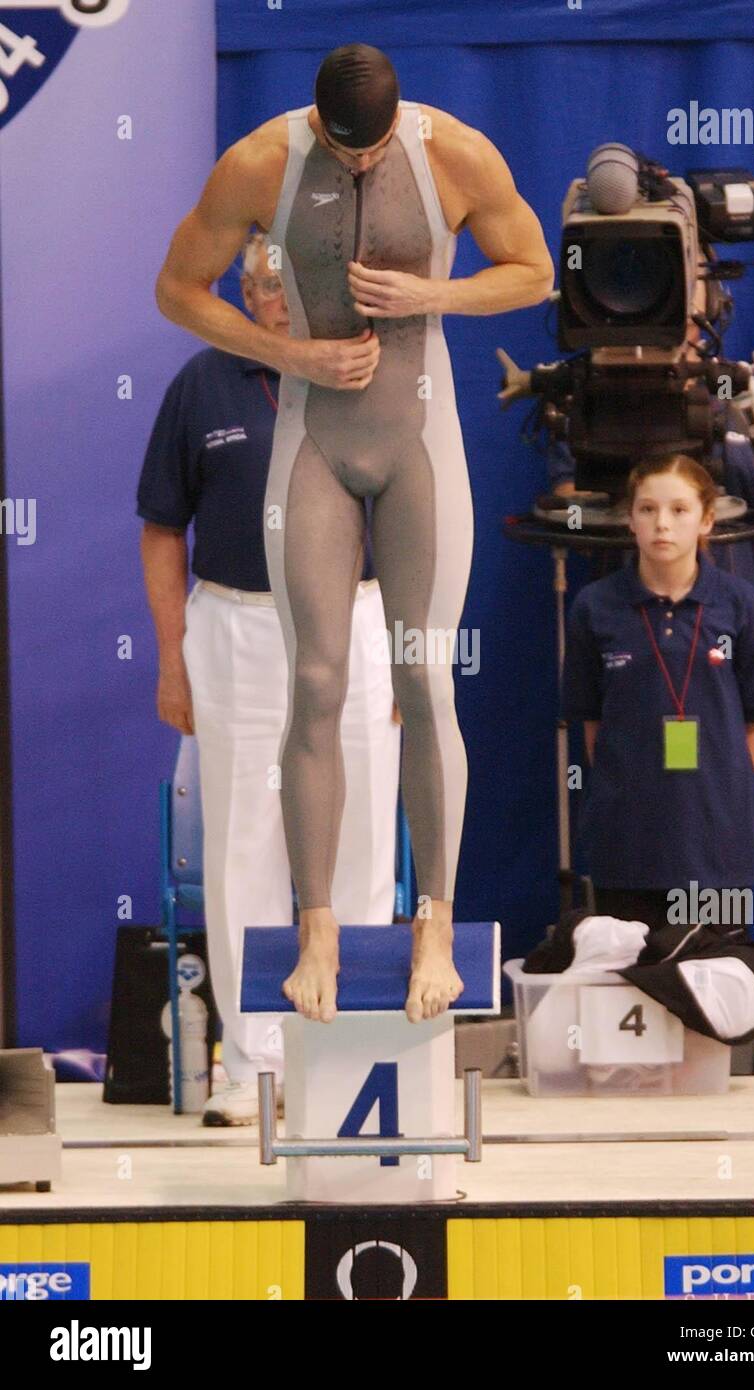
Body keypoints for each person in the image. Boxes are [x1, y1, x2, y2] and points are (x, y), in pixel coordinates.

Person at [155, 43, 554, 1024]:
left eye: (374, 151)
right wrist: (288, 350)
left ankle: (433, 920)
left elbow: (536, 272)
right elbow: (178, 290)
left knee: (421, 676)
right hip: (316, 441)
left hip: (418, 440)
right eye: (347, 149)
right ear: (320, 124)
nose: (364, 166)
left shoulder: (453, 153)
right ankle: (318, 924)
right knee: (318, 683)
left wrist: (436, 297)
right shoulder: (261, 161)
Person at [138, 232, 401, 1124]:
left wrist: (408, 650)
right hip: (238, 628)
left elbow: (411, 522)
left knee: (362, 831)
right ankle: (252, 1065)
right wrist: (172, 656)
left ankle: (346, 1052)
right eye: (267, 283)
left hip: (357, 622)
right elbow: (162, 528)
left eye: (301, 279)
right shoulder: (201, 385)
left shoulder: (370, 373)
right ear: (245, 297)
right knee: (244, 841)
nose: (283, 297)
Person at [496, 265, 754, 595]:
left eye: (690, 280)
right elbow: (577, 528)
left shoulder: (742, 387)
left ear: (714, 299)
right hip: (622, 617)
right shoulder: (589, 390)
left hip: (726, 620)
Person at [565, 454, 754, 934]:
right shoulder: (594, 607)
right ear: (630, 518)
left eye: (679, 510)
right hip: (628, 841)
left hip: (716, 840)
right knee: (630, 978)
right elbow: (592, 722)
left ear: (706, 519)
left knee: (712, 983)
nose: (662, 524)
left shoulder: (741, 606)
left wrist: (725, 801)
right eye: (647, 509)